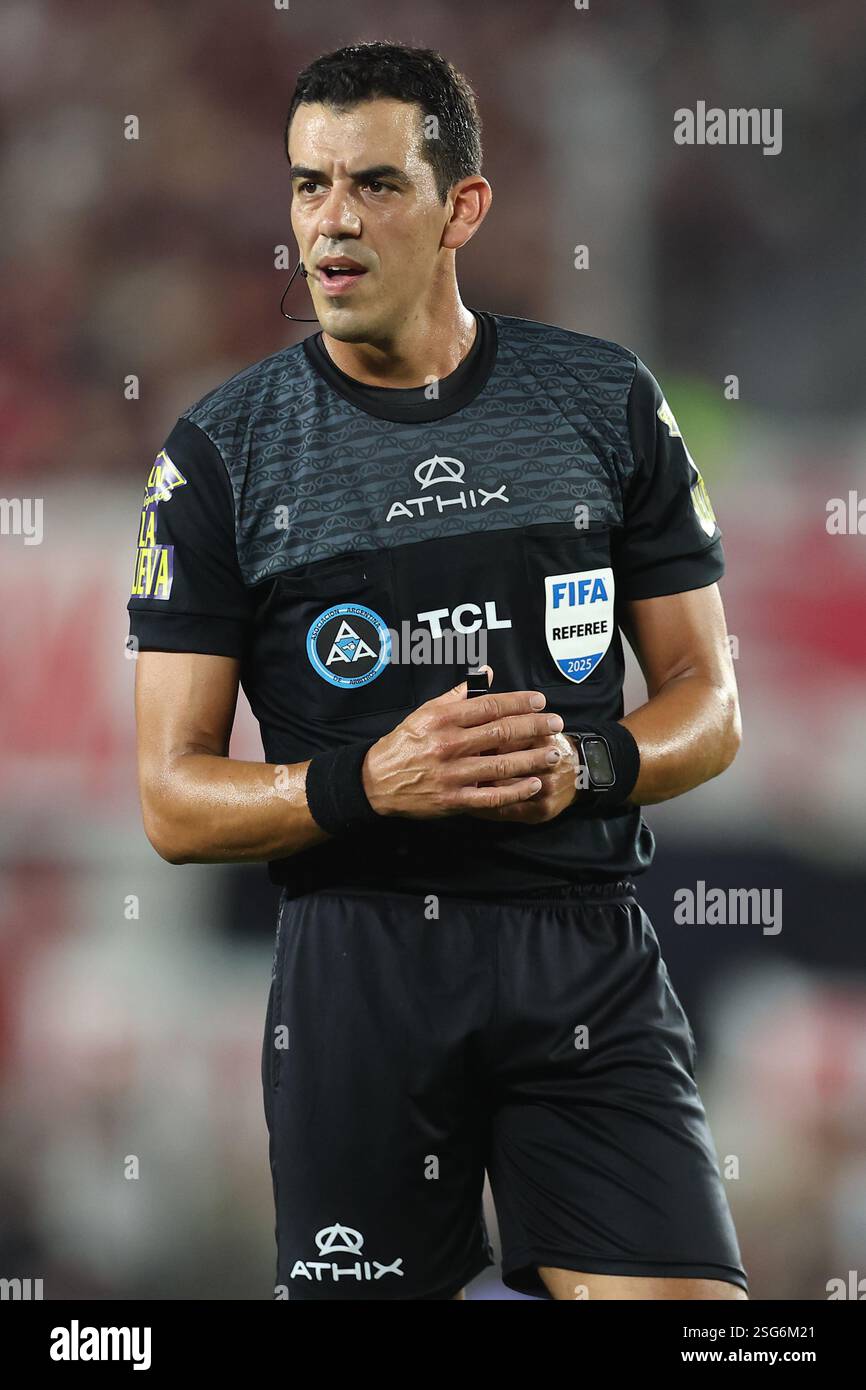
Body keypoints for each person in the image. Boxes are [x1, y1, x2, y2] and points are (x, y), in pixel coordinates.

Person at [127, 41, 748, 1302]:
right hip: (358, 974)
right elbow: (172, 800)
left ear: (461, 205)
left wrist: (589, 761)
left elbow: (711, 702)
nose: (331, 225)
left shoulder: (602, 403)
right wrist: (368, 784)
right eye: (307, 187)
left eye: (373, 184)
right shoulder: (219, 457)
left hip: (580, 942)